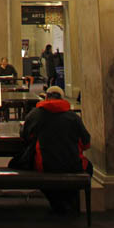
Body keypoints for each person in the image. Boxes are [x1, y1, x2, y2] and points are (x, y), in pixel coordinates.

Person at [20, 85, 92, 214]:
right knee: (89, 167)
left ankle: (57, 201)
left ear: (46, 97)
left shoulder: (35, 114)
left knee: (34, 167)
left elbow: (25, 137)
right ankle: (69, 201)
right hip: (72, 165)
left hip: (45, 165)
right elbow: (86, 143)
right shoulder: (73, 117)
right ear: (63, 99)